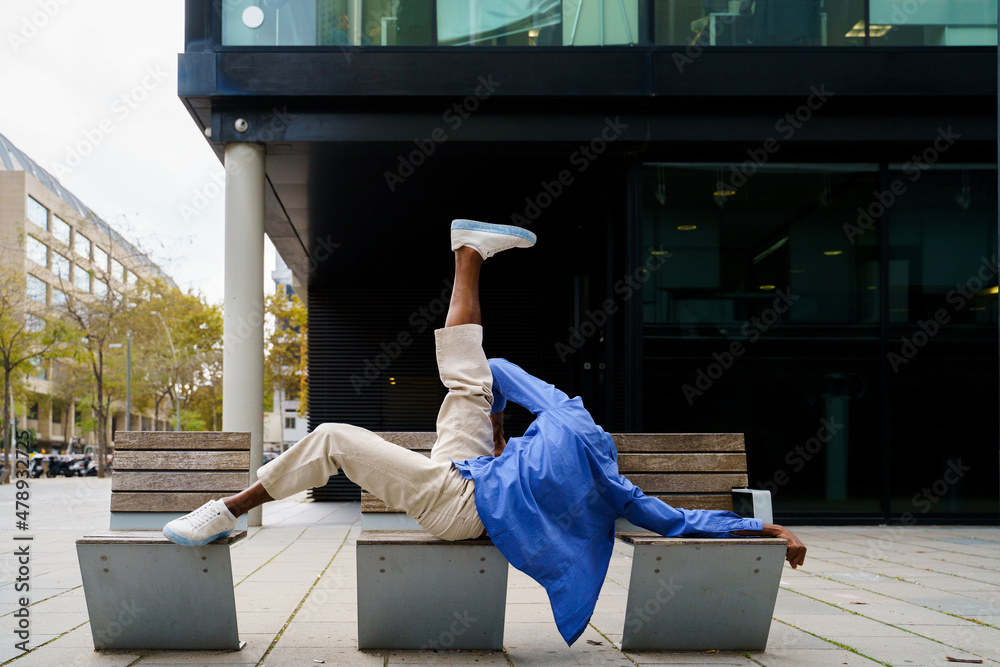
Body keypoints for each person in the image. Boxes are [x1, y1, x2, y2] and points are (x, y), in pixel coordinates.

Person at [163, 219, 807, 645]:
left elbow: (680, 522)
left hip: (462, 504)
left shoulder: (578, 435)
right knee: (468, 380)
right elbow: (675, 520)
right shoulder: (601, 467)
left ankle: (227, 511)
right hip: (470, 474)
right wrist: (494, 427)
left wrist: (763, 529)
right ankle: (467, 250)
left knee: (333, 433)